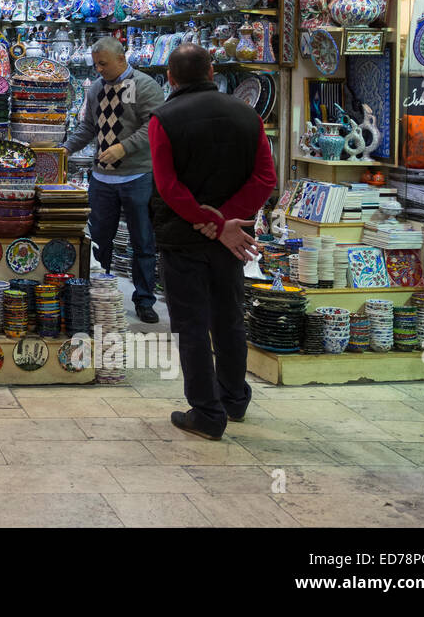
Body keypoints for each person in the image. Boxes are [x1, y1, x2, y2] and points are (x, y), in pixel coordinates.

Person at [149, 44, 276, 441]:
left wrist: (210, 220)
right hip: (232, 237)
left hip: (185, 234)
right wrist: (225, 223)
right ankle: (234, 399)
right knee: (228, 317)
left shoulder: (163, 119)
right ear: (213, 71)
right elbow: (265, 179)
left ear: (170, 77)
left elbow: (168, 186)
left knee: (191, 324)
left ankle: (206, 412)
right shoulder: (248, 115)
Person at [60, 37, 164, 324]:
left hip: (138, 174)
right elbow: (89, 127)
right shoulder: (96, 88)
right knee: (99, 239)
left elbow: (154, 126)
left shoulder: (145, 86)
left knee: (142, 240)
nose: (99, 69)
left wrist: (124, 147)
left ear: (121, 59)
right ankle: (98, 294)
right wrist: (65, 149)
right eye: (96, 64)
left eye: (103, 64)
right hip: (103, 178)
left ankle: (144, 300)